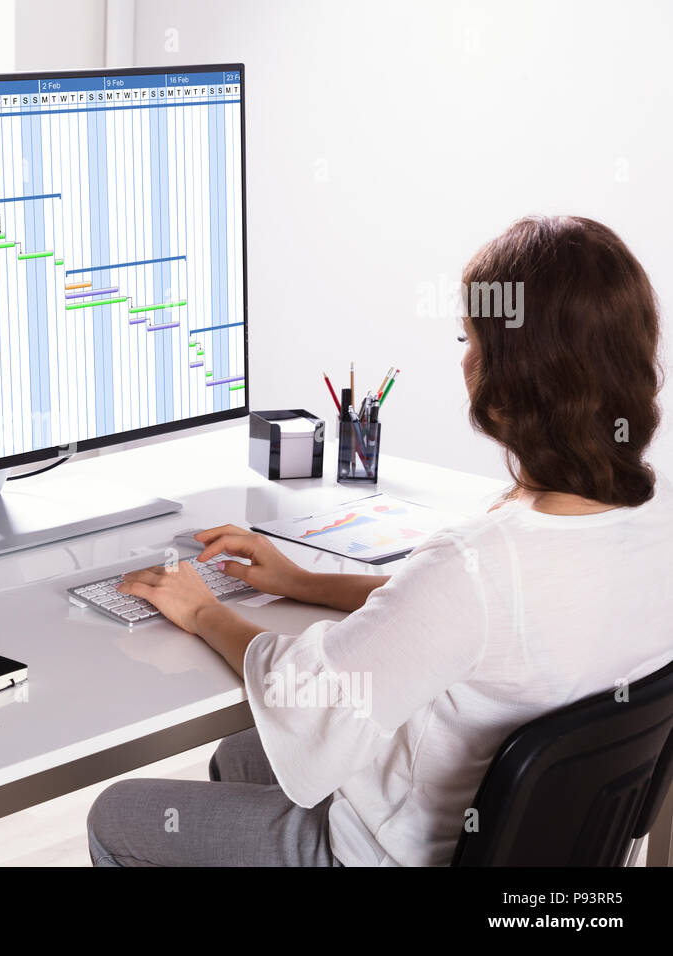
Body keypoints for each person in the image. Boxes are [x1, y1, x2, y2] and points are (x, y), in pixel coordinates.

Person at [87, 215, 672, 866]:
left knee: (118, 814)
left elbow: (306, 702)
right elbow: (454, 619)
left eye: (470, 339)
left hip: (396, 856)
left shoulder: (475, 567)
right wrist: (299, 583)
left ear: (515, 379)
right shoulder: (656, 520)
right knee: (242, 755)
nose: (463, 359)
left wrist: (203, 610)